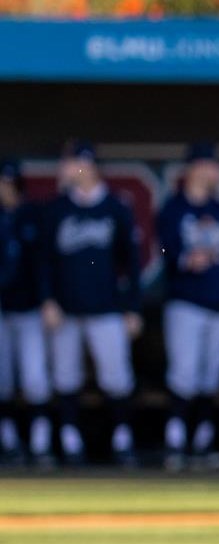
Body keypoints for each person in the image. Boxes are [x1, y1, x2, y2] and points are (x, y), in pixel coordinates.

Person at [40, 139, 141, 468]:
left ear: (88, 166)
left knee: (116, 377)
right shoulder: (58, 209)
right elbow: (44, 261)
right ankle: (70, 440)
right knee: (65, 377)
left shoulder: (115, 208)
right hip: (67, 309)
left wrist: (132, 307)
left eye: (72, 163)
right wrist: (48, 300)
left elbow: (133, 262)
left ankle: (122, 439)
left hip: (107, 307)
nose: (67, 170)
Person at [158, 141, 219, 471]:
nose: (212, 171)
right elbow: (161, 250)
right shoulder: (174, 208)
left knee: (211, 376)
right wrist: (182, 259)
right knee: (184, 372)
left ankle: (202, 440)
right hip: (186, 302)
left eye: (214, 166)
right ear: (193, 168)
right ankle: (175, 440)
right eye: (207, 165)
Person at [0, 160, 30, 466]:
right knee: (3, 379)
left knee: (35, 380)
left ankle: (39, 440)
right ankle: (9, 439)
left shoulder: (31, 215)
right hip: (2, 308)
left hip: (30, 308)